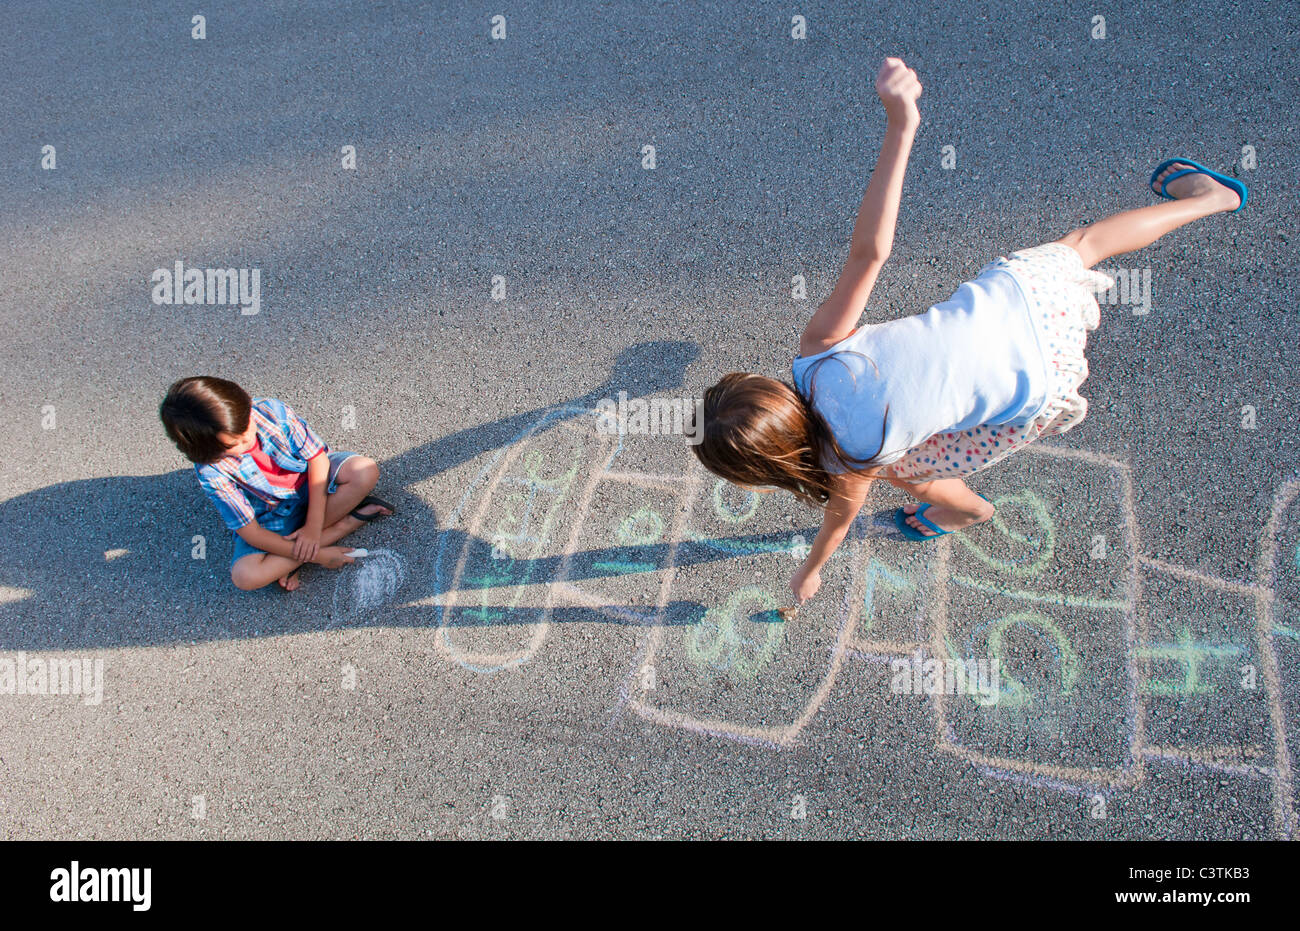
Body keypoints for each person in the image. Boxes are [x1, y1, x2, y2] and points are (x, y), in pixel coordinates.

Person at [692, 57, 1247, 606]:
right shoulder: (816, 354)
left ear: (772, 470)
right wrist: (900, 125)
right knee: (1086, 244)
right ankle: (1213, 198)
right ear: (769, 387)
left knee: (906, 467)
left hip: (1039, 381)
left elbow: (838, 525)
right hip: (1024, 302)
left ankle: (964, 509)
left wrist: (810, 573)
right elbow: (871, 251)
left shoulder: (850, 464)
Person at [159, 376, 394, 591]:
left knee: (364, 472)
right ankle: (345, 524)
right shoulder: (211, 472)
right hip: (274, 514)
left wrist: (312, 528)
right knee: (245, 576)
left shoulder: (269, 411)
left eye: (246, 426)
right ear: (205, 452)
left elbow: (317, 460)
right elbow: (252, 533)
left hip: (316, 485)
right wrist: (319, 556)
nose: (248, 439)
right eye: (234, 445)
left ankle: (294, 558)